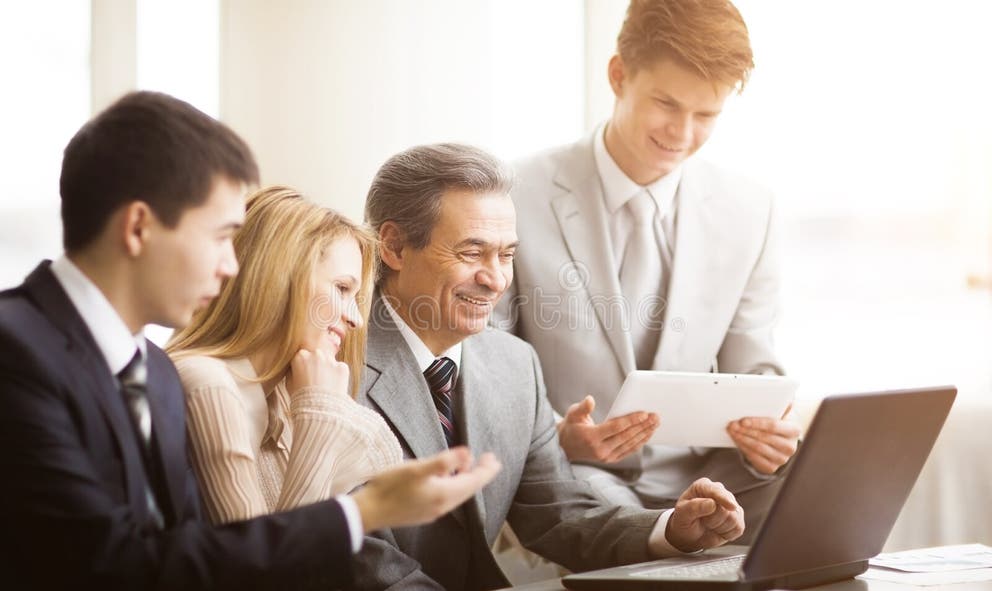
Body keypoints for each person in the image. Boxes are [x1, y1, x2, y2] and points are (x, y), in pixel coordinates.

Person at [0, 91, 500, 590]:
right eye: (220, 237)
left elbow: (195, 557)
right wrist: (360, 511)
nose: (232, 266)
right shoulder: (16, 350)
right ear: (138, 228)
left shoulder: (152, 371)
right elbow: (110, 565)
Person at [351, 143, 745, 591]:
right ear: (395, 247)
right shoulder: (335, 367)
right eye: (471, 253)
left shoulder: (514, 363)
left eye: (506, 255)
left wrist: (672, 529)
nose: (496, 279)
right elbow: (362, 557)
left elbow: (559, 514)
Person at [493, 0, 801, 539]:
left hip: (715, 473)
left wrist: (768, 438)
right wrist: (557, 437)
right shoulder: (514, 193)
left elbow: (756, 363)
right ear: (618, 76)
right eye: (666, 104)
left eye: (706, 115)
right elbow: (489, 369)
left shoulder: (751, 209)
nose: (682, 133)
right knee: (632, 531)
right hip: (578, 473)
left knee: (824, 514)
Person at [166, 186, 403, 524]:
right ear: (280, 279)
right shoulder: (209, 383)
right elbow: (272, 567)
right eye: (341, 288)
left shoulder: (278, 401)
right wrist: (320, 410)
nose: (357, 318)